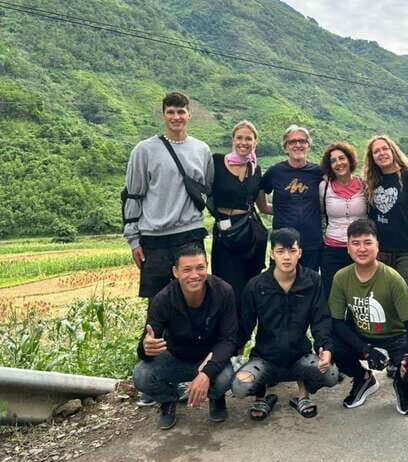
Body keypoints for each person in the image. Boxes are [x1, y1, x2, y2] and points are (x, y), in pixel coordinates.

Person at [232, 228, 338, 420]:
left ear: (300, 252)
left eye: (292, 251)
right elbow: (245, 326)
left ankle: (303, 394)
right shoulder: (256, 286)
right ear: (272, 254)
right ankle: (262, 395)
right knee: (239, 386)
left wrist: (325, 348)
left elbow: (321, 319)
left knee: (330, 374)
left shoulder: (312, 281)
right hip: (265, 358)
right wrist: (235, 355)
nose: (287, 257)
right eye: (280, 251)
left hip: (300, 356)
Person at [132, 244, 238, 430]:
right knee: (141, 375)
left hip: (210, 356)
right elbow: (145, 348)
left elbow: (228, 340)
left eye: (200, 268)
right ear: (176, 272)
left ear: (207, 266)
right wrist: (146, 348)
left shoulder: (223, 291)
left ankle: (216, 396)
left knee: (225, 378)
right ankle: (168, 400)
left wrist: (206, 373)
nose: (194, 275)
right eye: (187, 270)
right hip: (176, 356)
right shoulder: (163, 299)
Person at [122, 91, 214, 300]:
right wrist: (134, 240)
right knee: (158, 302)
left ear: (189, 115)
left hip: (191, 234)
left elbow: (206, 189)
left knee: (194, 298)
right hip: (155, 238)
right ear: (163, 115)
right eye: (171, 112)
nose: (176, 117)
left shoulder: (202, 150)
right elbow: (133, 196)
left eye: (181, 112)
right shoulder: (144, 150)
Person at [329, 218, 408, 415]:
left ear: (377, 246)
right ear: (348, 248)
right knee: (330, 342)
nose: (362, 249)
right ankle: (363, 378)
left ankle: (402, 386)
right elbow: (337, 322)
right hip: (363, 338)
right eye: (355, 243)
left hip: (395, 337)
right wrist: (366, 350)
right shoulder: (341, 277)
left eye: (367, 242)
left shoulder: (392, 278)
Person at [363, 135, 408, 299]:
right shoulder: (371, 181)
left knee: (405, 299)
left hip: (406, 249)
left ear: (393, 151)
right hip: (379, 251)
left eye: (385, 149)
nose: (381, 153)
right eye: (376, 151)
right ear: (372, 157)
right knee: (382, 299)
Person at [210, 120, 271, 306]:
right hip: (225, 232)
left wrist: (295, 206)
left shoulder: (255, 169)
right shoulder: (216, 162)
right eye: (239, 138)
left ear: (255, 142)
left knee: (248, 285)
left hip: (248, 233)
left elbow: (263, 206)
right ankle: (226, 324)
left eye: (248, 139)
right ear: (233, 139)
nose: (243, 142)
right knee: (224, 285)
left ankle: (245, 324)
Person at [259, 125, 323, 271]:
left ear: (308, 145)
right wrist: (266, 208)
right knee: (280, 281)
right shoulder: (275, 171)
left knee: (309, 281)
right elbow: (261, 188)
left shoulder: (318, 172)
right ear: (285, 147)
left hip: (311, 242)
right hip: (282, 243)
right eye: (292, 142)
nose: (297, 145)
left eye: (302, 141)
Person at [319, 142, 367, 298]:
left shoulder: (364, 184)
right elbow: (319, 213)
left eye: (342, 158)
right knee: (332, 295)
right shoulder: (324, 187)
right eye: (333, 161)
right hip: (332, 250)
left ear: (349, 159)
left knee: (360, 296)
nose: (338, 163)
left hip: (361, 249)